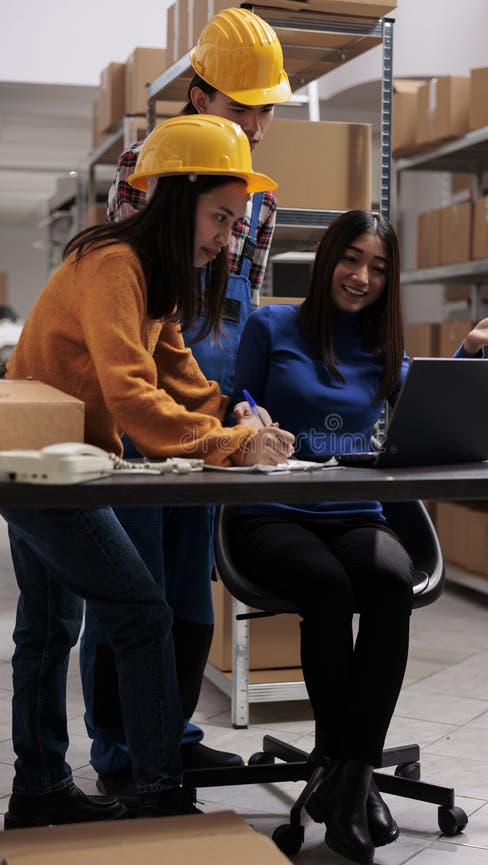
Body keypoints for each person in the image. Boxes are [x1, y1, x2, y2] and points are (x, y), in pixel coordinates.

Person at [0, 115, 294, 829]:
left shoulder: (153, 280)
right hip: (43, 468)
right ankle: (160, 794)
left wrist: (237, 416)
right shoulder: (114, 264)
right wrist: (230, 446)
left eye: (235, 223)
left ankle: (39, 790)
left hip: (51, 463)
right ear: (178, 197)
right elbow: (133, 396)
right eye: (219, 218)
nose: (227, 238)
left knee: (48, 629)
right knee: (139, 614)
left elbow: (181, 376)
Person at [229, 209, 488, 865]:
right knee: (325, 584)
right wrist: (246, 420)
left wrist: (468, 350)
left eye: (377, 267)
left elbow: (427, 411)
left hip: (355, 514)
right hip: (270, 511)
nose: (361, 276)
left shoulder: (380, 345)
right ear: (327, 259)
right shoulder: (270, 325)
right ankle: (348, 775)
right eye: (352, 259)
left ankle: (348, 775)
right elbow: (233, 403)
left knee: (390, 579)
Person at [80, 6, 293, 800]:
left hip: (208, 412)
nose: (258, 126)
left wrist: (238, 408)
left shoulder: (258, 196)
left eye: (267, 110)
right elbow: (134, 306)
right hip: (142, 411)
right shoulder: (148, 170)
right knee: (129, 585)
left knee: (187, 589)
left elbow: (243, 306)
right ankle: (119, 749)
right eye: (244, 107)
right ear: (200, 97)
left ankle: (171, 737)